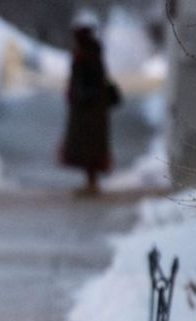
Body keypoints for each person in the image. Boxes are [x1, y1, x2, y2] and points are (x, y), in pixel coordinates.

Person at [60, 24, 118, 196]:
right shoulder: (92, 54)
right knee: (90, 147)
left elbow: (87, 82)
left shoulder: (85, 56)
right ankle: (91, 182)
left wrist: (80, 96)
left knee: (88, 147)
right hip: (91, 109)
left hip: (88, 110)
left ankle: (91, 183)